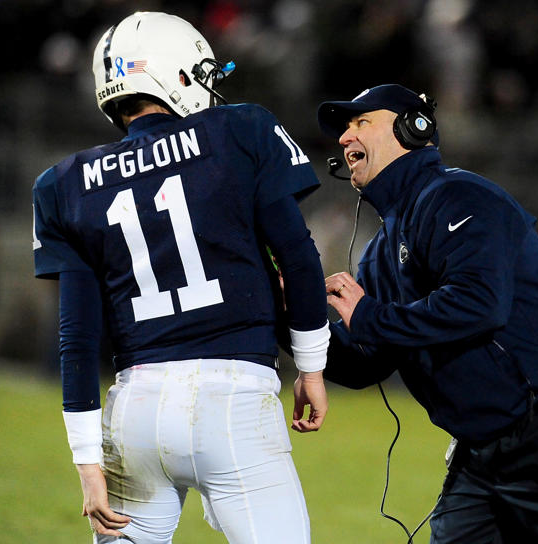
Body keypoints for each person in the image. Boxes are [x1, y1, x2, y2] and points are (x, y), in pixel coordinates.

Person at [32, 12, 330, 544]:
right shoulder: (240, 129)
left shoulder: (64, 184)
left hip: (134, 410)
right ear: (180, 75)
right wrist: (311, 365)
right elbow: (299, 258)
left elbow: (77, 336)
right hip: (234, 400)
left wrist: (86, 459)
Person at [316, 84, 538, 543]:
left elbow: (478, 304)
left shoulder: (458, 195)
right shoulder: (384, 249)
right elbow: (367, 359)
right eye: (345, 128)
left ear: (413, 129)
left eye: (361, 122)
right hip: (484, 443)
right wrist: (290, 318)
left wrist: (368, 316)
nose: (345, 137)